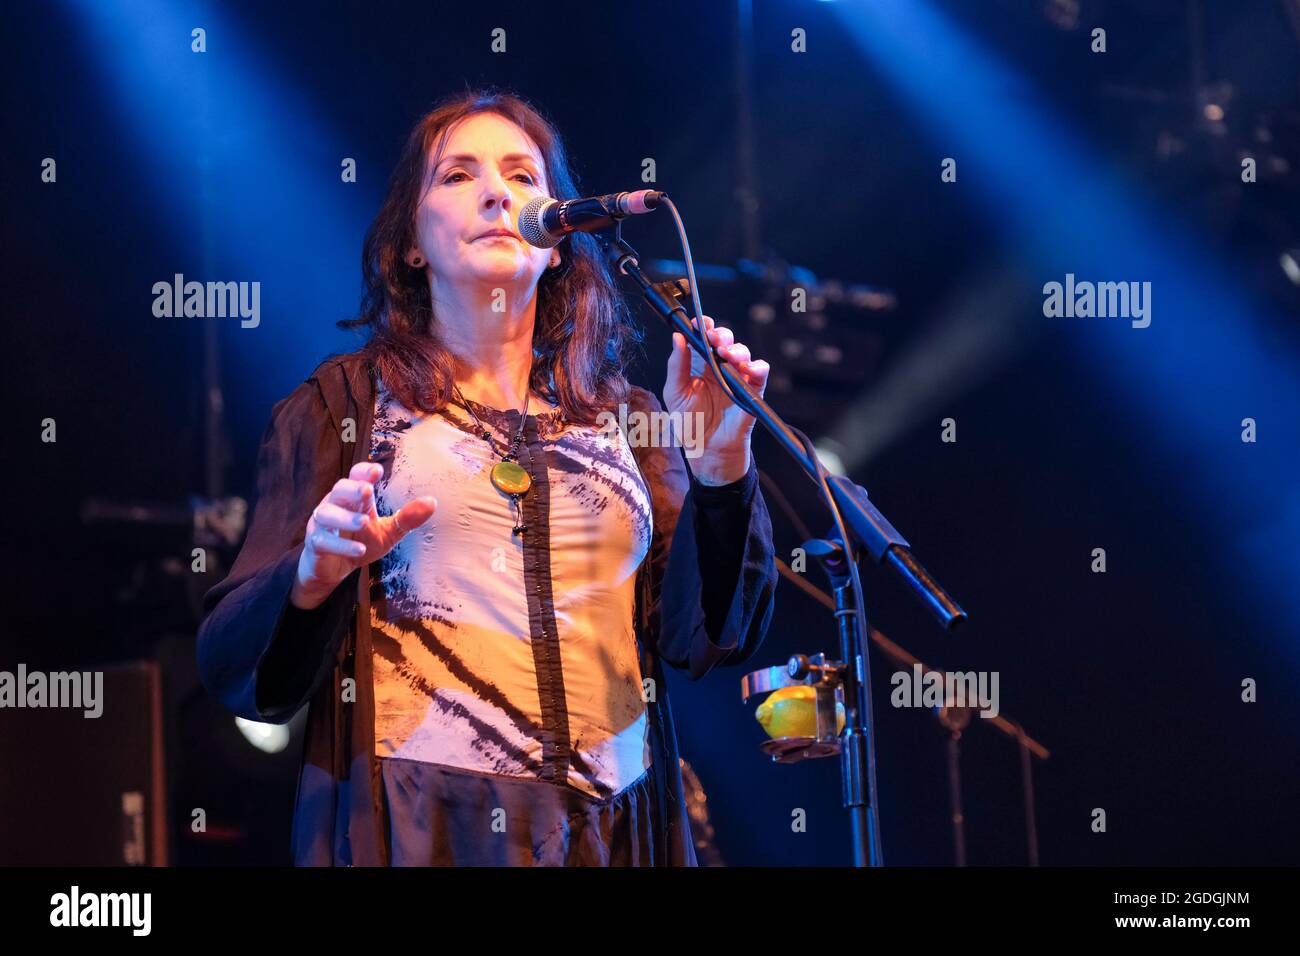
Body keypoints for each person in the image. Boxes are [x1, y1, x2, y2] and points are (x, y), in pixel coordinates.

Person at [196, 90, 778, 866]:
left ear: (561, 237)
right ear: (411, 242)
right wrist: (310, 574)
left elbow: (705, 638)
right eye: (459, 175)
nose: (498, 193)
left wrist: (720, 465)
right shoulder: (346, 407)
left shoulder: (627, 419)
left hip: (617, 828)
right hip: (424, 822)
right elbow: (239, 671)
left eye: (521, 173)